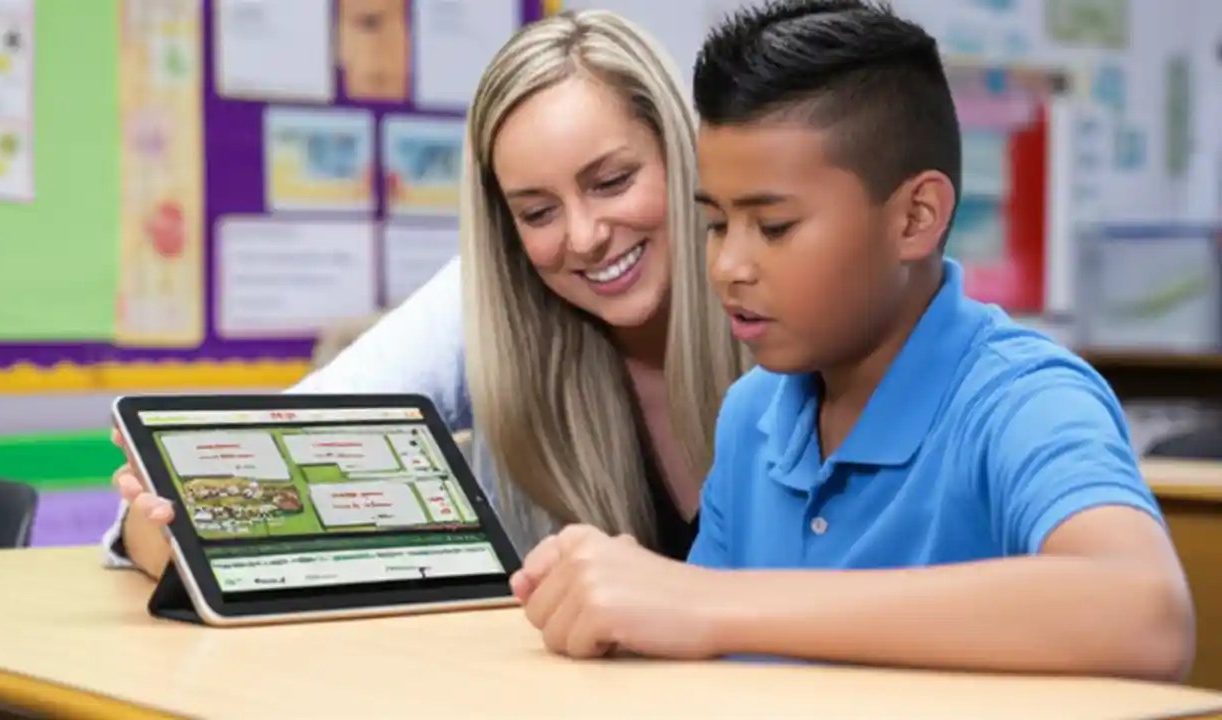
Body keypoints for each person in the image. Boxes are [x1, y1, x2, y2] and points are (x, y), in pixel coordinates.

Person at [508, 0, 1196, 681]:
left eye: (773, 227)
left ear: (915, 217)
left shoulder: (1023, 400)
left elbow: (1146, 614)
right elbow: (700, 656)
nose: (727, 266)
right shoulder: (753, 414)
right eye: (716, 224)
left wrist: (713, 602)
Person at [102, 9, 747, 579]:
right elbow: (271, 450)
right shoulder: (495, 297)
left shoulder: (777, 298)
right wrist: (156, 525)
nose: (584, 237)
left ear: (683, 156)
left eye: (612, 181)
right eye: (537, 212)